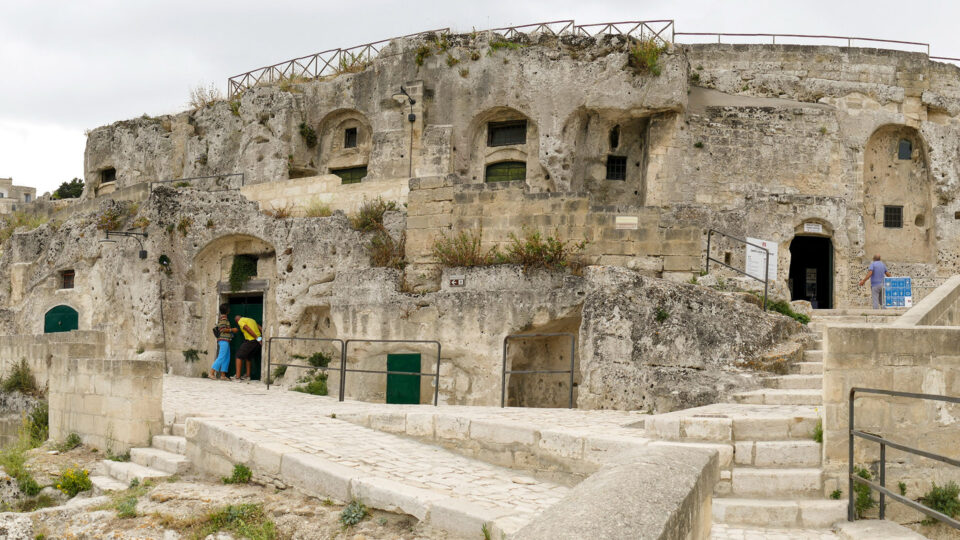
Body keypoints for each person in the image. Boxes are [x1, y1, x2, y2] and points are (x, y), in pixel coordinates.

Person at [210, 304, 236, 380]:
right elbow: (222, 329)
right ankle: (211, 373)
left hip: (226, 340)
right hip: (223, 340)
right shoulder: (224, 319)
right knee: (221, 356)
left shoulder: (223, 318)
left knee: (226, 357)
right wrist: (232, 330)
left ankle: (223, 375)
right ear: (227, 310)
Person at [234, 314, 262, 381]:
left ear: (237, 321)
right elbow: (260, 328)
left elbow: (247, 329)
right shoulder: (252, 320)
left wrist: (257, 338)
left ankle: (237, 377)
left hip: (251, 340)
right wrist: (260, 339)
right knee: (248, 357)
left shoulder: (240, 321)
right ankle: (247, 376)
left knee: (238, 356)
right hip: (257, 342)